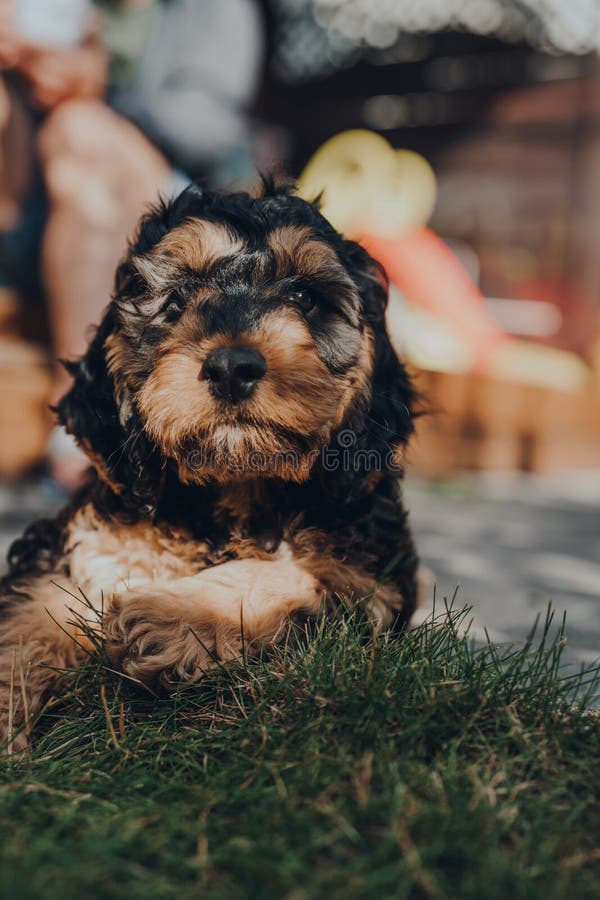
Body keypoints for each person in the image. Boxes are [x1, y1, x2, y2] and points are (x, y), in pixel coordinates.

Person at [0, 0, 265, 484]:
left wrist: (96, 90)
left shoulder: (209, 9)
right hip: (42, 200)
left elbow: (207, 128)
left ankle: (82, 418)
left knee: (81, 132)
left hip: (167, 195)